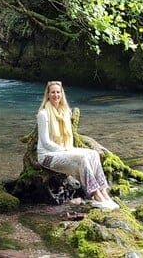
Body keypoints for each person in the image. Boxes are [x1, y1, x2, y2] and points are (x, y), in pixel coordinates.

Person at [36, 81, 119, 210]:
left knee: (93, 154)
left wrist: (69, 150)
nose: (56, 95)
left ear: (62, 94)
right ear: (48, 95)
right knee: (83, 159)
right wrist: (64, 151)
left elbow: (69, 139)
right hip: (47, 155)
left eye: (58, 92)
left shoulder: (66, 112)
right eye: (53, 92)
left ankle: (103, 192)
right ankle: (95, 195)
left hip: (65, 150)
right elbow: (45, 142)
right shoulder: (43, 114)